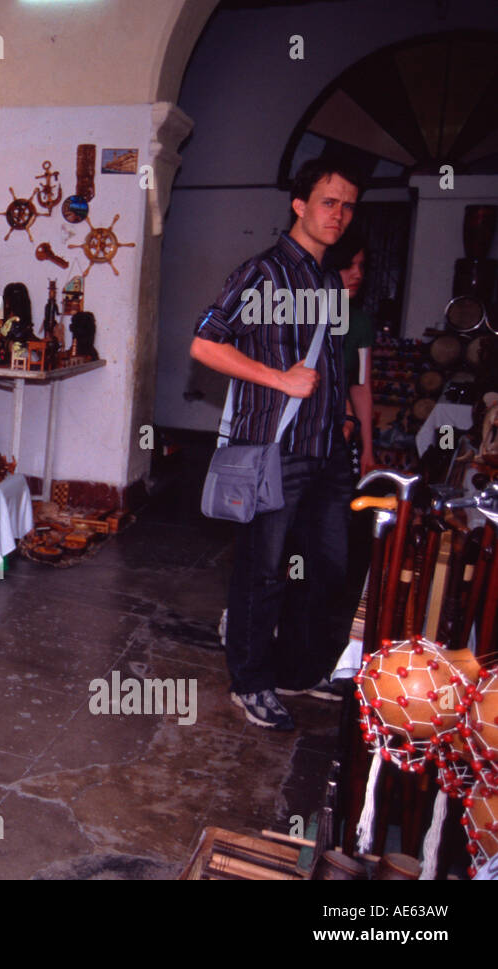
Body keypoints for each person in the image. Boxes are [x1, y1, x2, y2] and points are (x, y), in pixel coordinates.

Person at [189, 158, 361, 730]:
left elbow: (332, 361)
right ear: (300, 204)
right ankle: (250, 680)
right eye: (329, 201)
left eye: (348, 205)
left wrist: (339, 418)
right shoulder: (263, 273)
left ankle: (295, 670)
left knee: (327, 568)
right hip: (275, 446)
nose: (339, 214)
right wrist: (280, 380)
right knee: (262, 571)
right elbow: (206, 344)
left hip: (327, 452)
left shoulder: (330, 280)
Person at [325, 231, 377, 479]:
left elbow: (360, 387)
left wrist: (368, 449)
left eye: (361, 265)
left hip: (340, 434)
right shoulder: (302, 312)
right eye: (348, 266)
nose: (358, 274)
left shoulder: (360, 322)